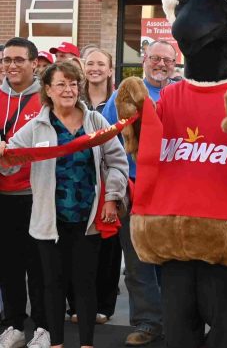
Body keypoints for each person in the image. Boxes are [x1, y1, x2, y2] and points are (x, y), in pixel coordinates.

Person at [0, 61, 129, 348]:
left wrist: (111, 198)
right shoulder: (36, 126)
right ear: (48, 89)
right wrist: (3, 152)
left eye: (73, 84)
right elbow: (10, 163)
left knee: (85, 284)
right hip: (49, 222)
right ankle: (56, 343)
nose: (68, 90)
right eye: (61, 84)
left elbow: (118, 163)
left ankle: (86, 344)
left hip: (88, 220)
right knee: (53, 285)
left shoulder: (96, 121)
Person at [100, 40, 176, 346]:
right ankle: (148, 322)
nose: (161, 64)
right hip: (133, 188)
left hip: (172, 191)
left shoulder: (181, 94)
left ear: (175, 64)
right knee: (137, 262)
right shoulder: (124, 95)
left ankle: (176, 320)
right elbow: (107, 141)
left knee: (173, 261)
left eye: (167, 60)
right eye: (155, 58)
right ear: (144, 59)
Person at [0, 37, 47, 348]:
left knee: (40, 268)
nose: (12, 65)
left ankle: (43, 328)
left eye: (19, 59)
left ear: (34, 63)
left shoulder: (47, 98)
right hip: (3, 197)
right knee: (9, 267)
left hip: (36, 196)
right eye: (7, 60)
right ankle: (15, 326)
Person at [70, 47, 122, 325]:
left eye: (101, 64)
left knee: (108, 246)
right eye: (90, 64)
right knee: (77, 246)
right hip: (75, 183)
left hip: (108, 181)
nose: (95, 69)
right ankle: (76, 304)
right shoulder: (72, 99)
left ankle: (104, 304)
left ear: (110, 70)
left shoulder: (119, 102)